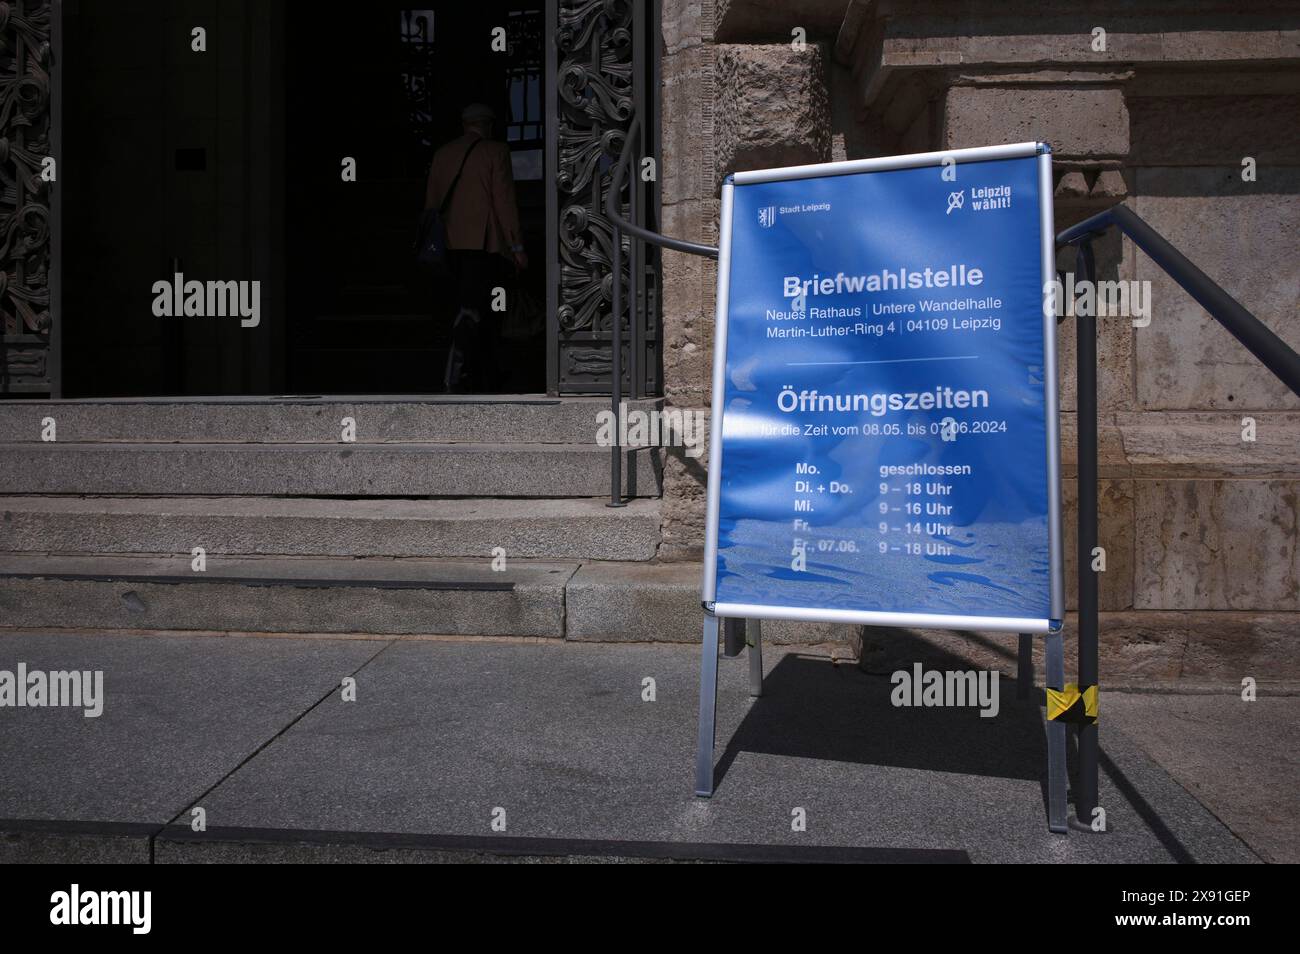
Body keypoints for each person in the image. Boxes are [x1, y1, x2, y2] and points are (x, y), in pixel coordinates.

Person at [424, 103, 527, 392]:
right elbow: (505, 202)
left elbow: (430, 206)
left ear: (464, 124)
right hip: (484, 246)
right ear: (488, 125)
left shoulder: (442, 155)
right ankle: (466, 375)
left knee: (463, 309)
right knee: (485, 313)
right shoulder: (496, 152)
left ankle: (469, 372)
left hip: (447, 247)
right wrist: (517, 246)